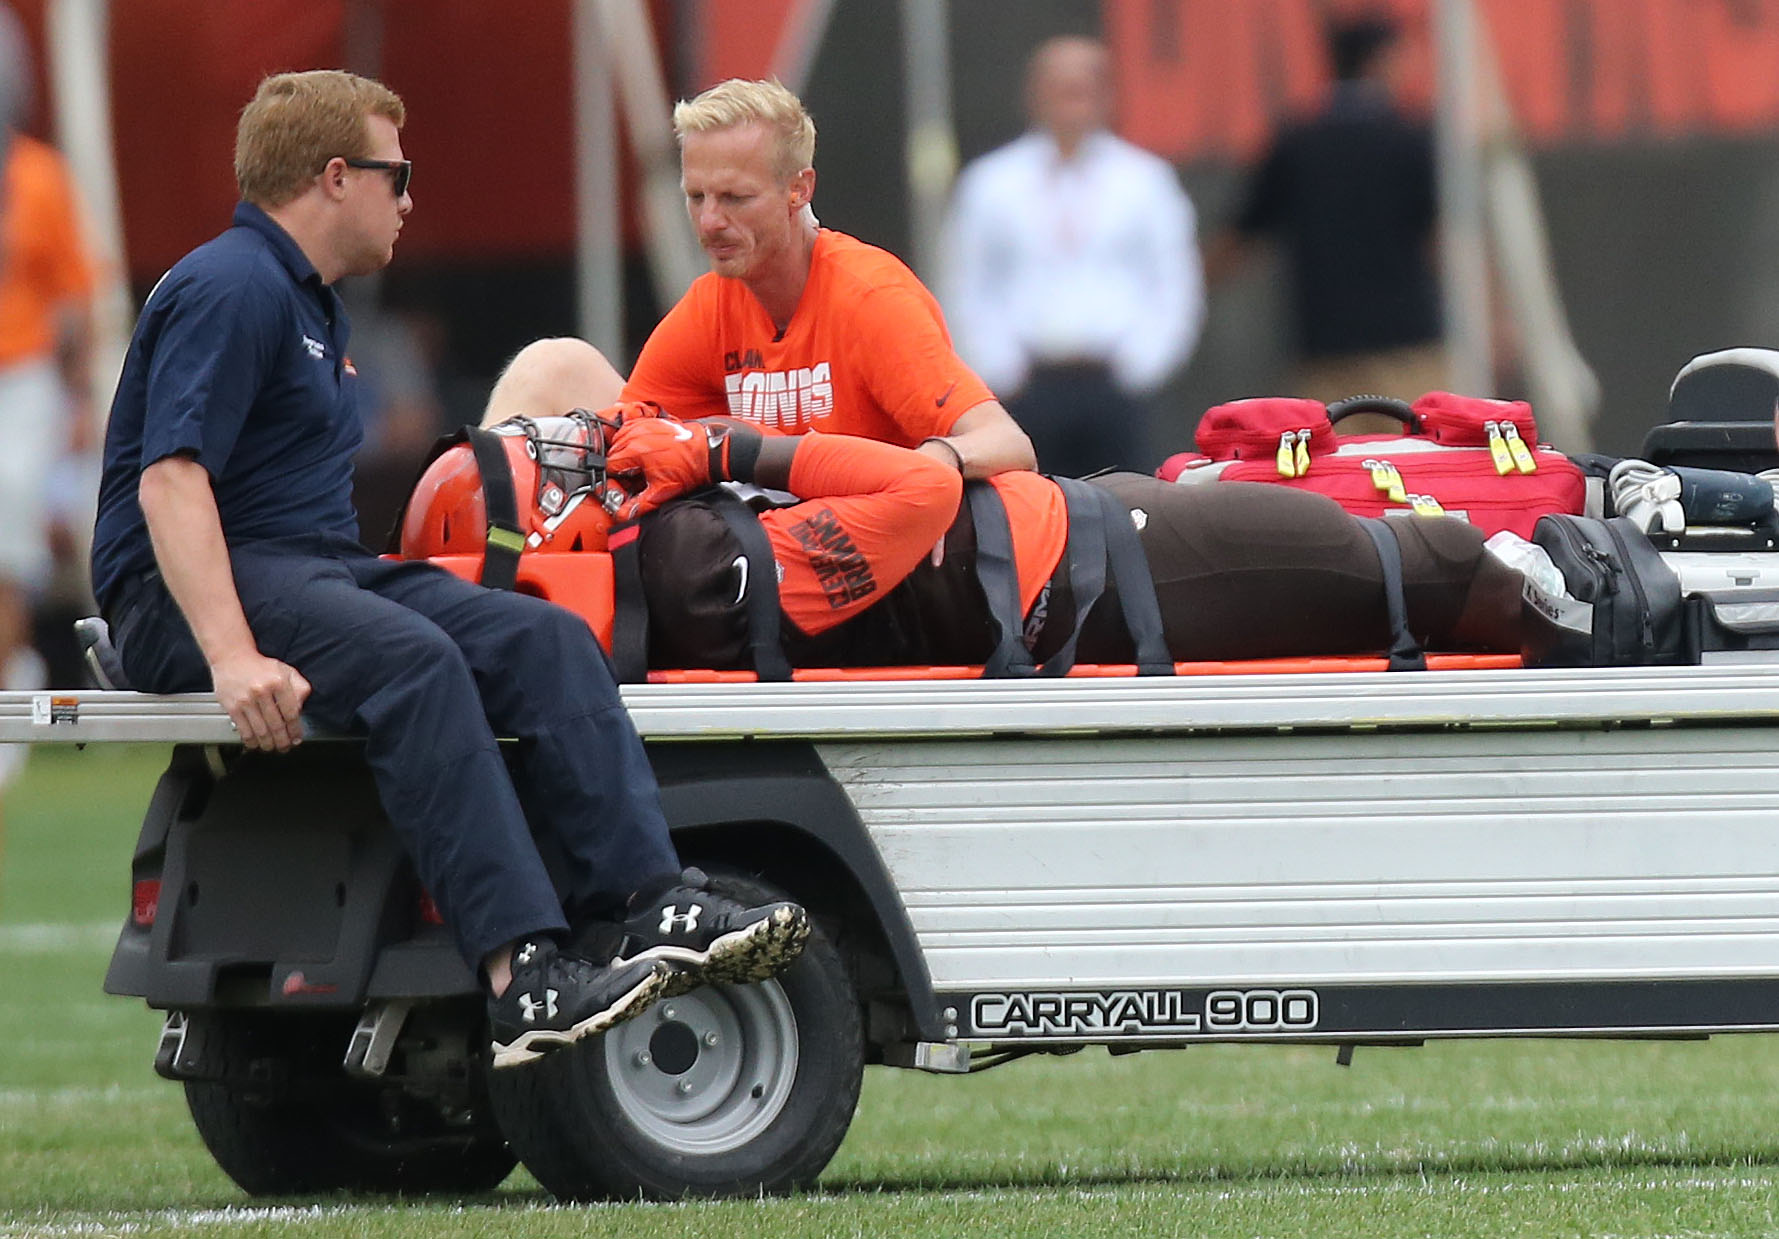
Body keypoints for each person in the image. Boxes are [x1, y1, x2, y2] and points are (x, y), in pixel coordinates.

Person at [88, 70, 807, 1070]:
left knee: (544, 639)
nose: (409, 198)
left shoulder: (307, 302)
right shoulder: (233, 287)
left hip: (306, 571)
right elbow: (171, 481)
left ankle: (650, 901)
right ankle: (523, 977)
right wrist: (230, 654)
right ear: (335, 177)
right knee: (415, 662)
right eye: (397, 174)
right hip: (187, 593)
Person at [409, 411, 1523, 673]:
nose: (586, 449)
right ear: (534, 531)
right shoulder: (698, 575)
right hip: (1094, 573)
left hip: (1077, 539)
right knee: (1419, 563)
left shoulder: (660, 575)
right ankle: (1604, 591)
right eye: (554, 467)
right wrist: (724, 446)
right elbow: (922, 485)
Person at [482, 77, 1037, 482]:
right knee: (553, 366)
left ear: (799, 190)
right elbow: (628, 436)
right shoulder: (711, 303)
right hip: (746, 543)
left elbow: (1008, 443)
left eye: (735, 198)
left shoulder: (870, 297)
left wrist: (935, 465)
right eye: (696, 196)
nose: (709, 222)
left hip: (857, 544)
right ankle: (468, 558)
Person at [938, 36, 1204, 477]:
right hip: (1025, 388)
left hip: (1116, 386)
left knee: (1126, 504)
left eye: (1083, 88)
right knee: (1031, 505)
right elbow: (965, 282)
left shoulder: (1145, 181)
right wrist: (998, 368)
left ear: (1107, 95)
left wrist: (1143, 364)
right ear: (1033, 94)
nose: (1071, 102)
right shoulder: (991, 183)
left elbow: (1175, 282)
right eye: (1059, 88)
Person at [1210, 14, 1445, 415]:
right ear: (1380, 61)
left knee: (1330, 452)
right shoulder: (1410, 138)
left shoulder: (1296, 142)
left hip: (1323, 345)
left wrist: (1188, 291)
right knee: (1413, 447)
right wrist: (1493, 316)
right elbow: (1442, 240)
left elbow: (1241, 237)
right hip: (1407, 344)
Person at [0, 0, 97, 798]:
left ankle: (8, 675)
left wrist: (79, 397)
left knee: (8, 544)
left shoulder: (38, 175)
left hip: (23, 376)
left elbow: (75, 297)